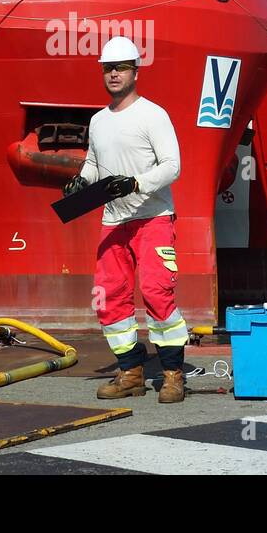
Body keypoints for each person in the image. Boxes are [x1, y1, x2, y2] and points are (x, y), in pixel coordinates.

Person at [64, 36, 187, 403]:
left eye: (120, 68)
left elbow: (173, 166)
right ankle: (131, 371)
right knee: (109, 298)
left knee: (156, 292)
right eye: (107, 69)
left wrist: (136, 183)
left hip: (152, 218)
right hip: (113, 222)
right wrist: (81, 181)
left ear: (135, 71)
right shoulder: (99, 121)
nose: (113, 74)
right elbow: (93, 163)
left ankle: (173, 375)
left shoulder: (153, 115)